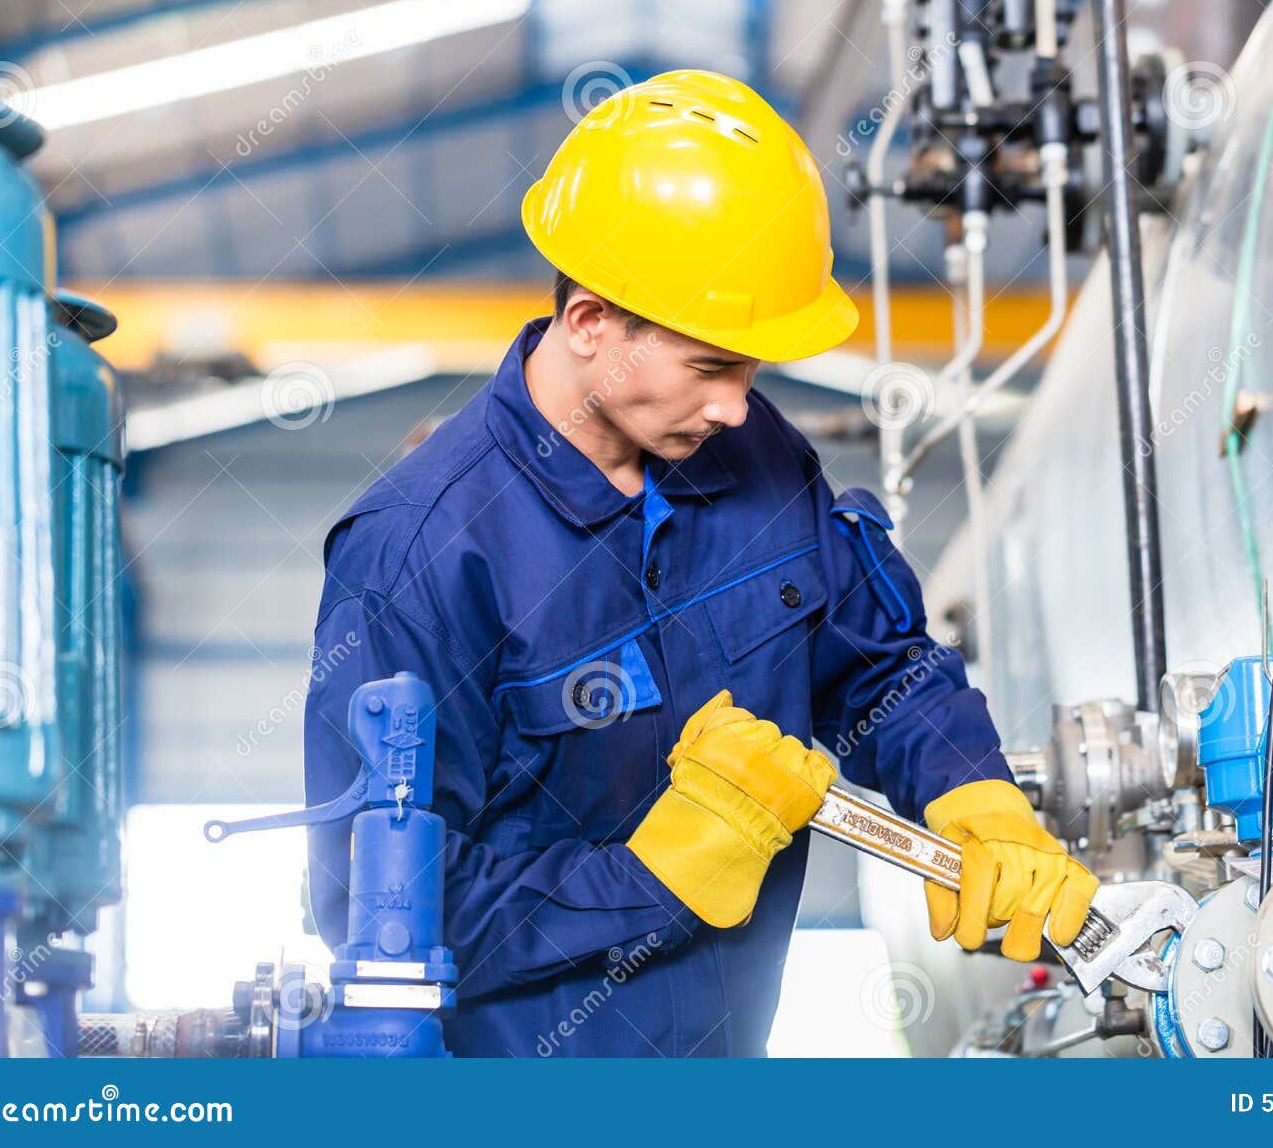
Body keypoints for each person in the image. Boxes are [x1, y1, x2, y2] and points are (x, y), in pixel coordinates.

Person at [302, 69, 1096, 1057]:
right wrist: (653, 876)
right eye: (712, 365)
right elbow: (371, 910)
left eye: (750, 368)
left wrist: (972, 793)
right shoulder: (418, 553)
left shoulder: (751, 452)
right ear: (590, 322)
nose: (735, 404)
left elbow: (876, 664)